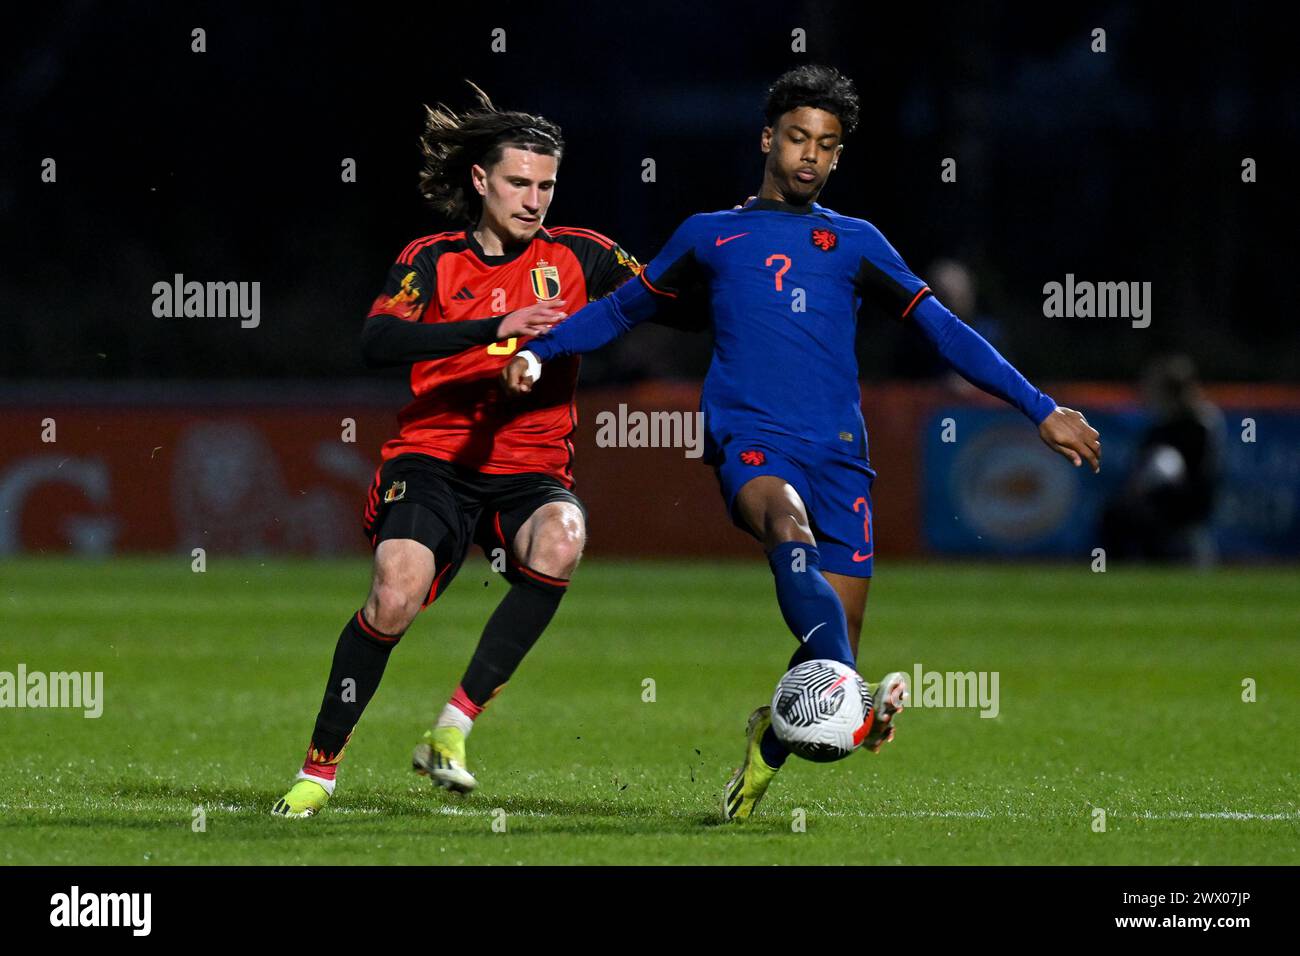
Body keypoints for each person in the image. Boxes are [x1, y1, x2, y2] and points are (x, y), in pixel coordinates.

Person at [504, 65, 1101, 821]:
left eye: (826, 144)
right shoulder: (710, 234)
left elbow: (945, 330)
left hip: (840, 457)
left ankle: (771, 743)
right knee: (787, 530)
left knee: (829, 643)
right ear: (767, 138)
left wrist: (1040, 408)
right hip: (750, 440)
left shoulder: (857, 243)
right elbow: (622, 309)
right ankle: (852, 706)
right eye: (797, 138)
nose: (810, 155)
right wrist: (540, 351)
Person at [273, 84, 646, 817]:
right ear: (480, 180)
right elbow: (377, 340)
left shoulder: (583, 256)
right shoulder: (432, 259)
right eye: (518, 182)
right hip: (434, 461)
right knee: (393, 593)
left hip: (531, 471)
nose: (534, 199)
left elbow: (663, 297)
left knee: (564, 539)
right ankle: (319, 771)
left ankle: (453, 725)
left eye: (546, 185)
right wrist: (496, 327)